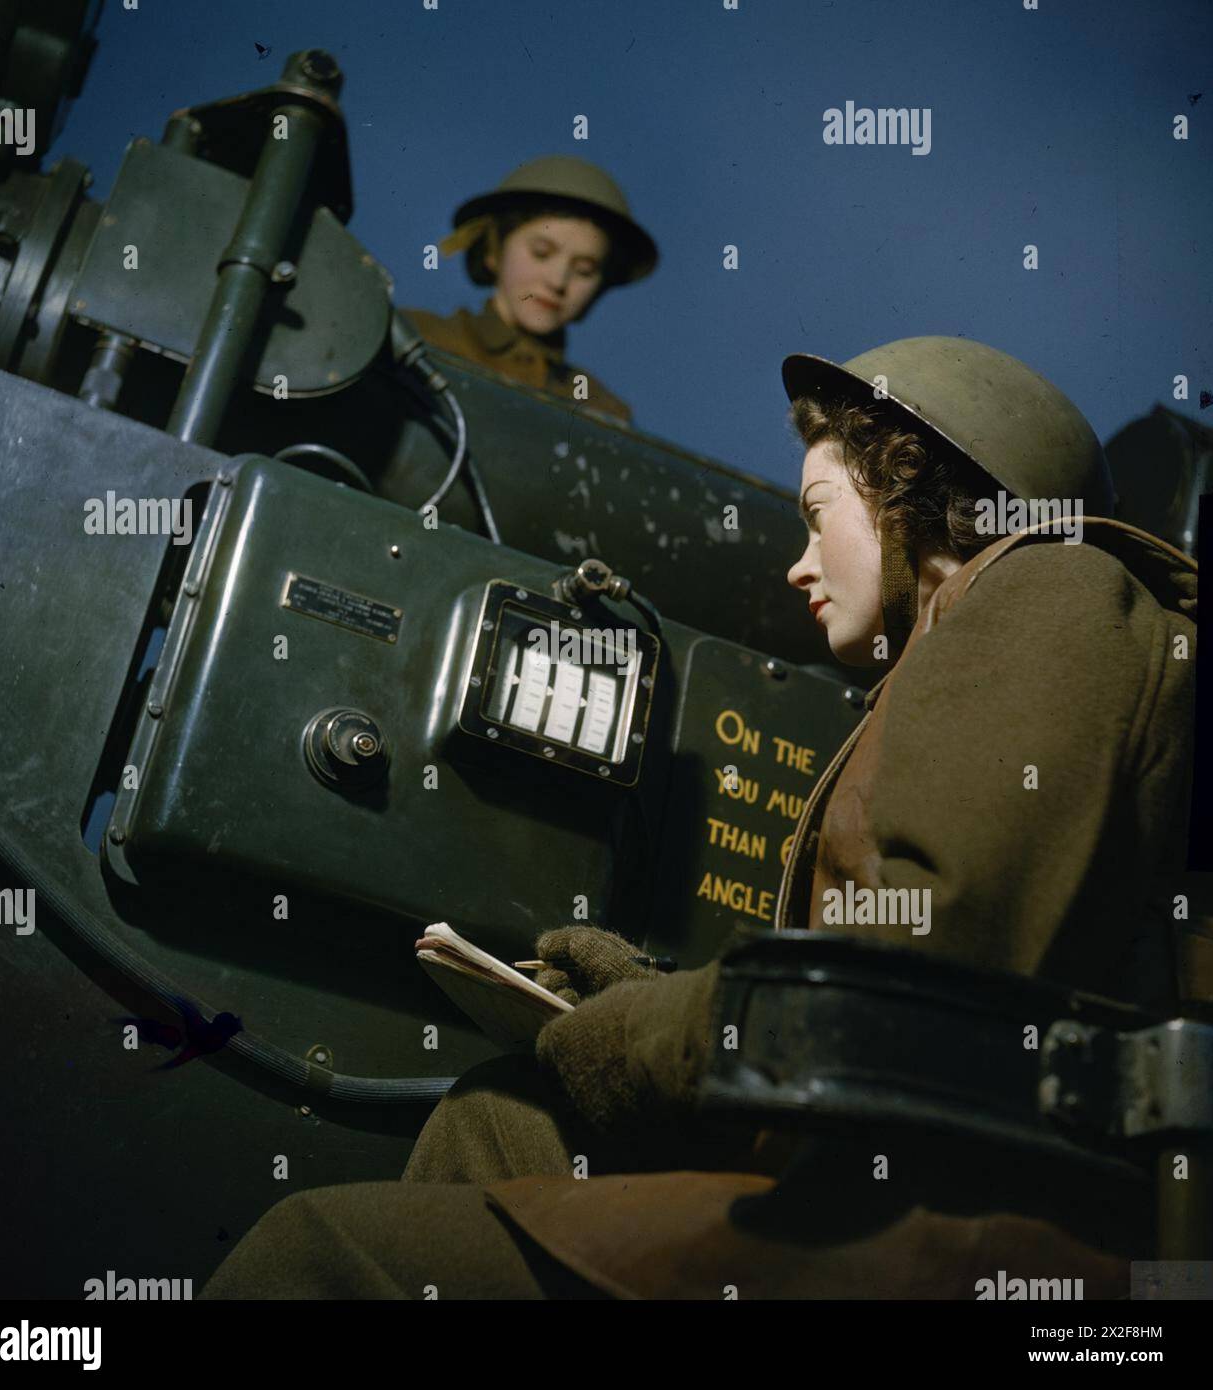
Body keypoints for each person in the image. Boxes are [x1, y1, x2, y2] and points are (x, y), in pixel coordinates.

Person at [200, 337, 1199, 1299]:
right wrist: (644, 998)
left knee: (318, 1257)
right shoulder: (972, 642)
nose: (798, 568)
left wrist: (638, 1028)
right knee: (500, 1118)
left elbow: (927, 968)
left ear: (908, 486)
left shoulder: (1052, 587)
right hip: (898, 1178)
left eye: (819, 515)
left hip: (972, 1230)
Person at [399, 155, 656, 424]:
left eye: (584, 270)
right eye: (541, 253)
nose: (558, 281)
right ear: (493, 251)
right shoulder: (414, 340)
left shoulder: (604, 411)